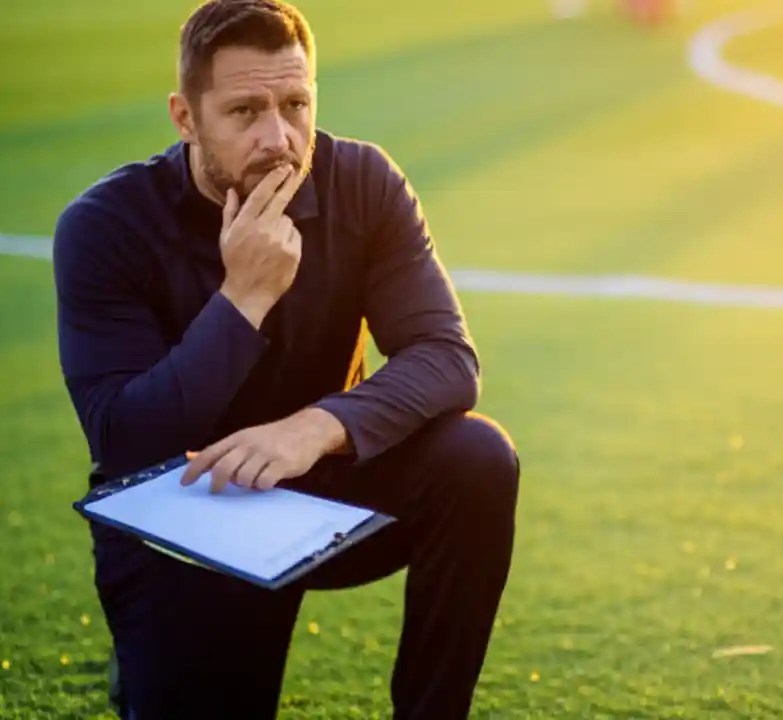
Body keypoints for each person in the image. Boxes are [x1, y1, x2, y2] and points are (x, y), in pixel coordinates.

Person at [52, 1, 520, 717]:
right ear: (185, 118)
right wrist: (242, 299)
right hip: (188, 513)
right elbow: (124, 440)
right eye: (244, 111)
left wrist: (313, 428)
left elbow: (447, 357)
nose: (279, 138)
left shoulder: (362, 181)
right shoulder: (104, 227)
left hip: (327, 487)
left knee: (477, 457)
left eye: (296, 104)